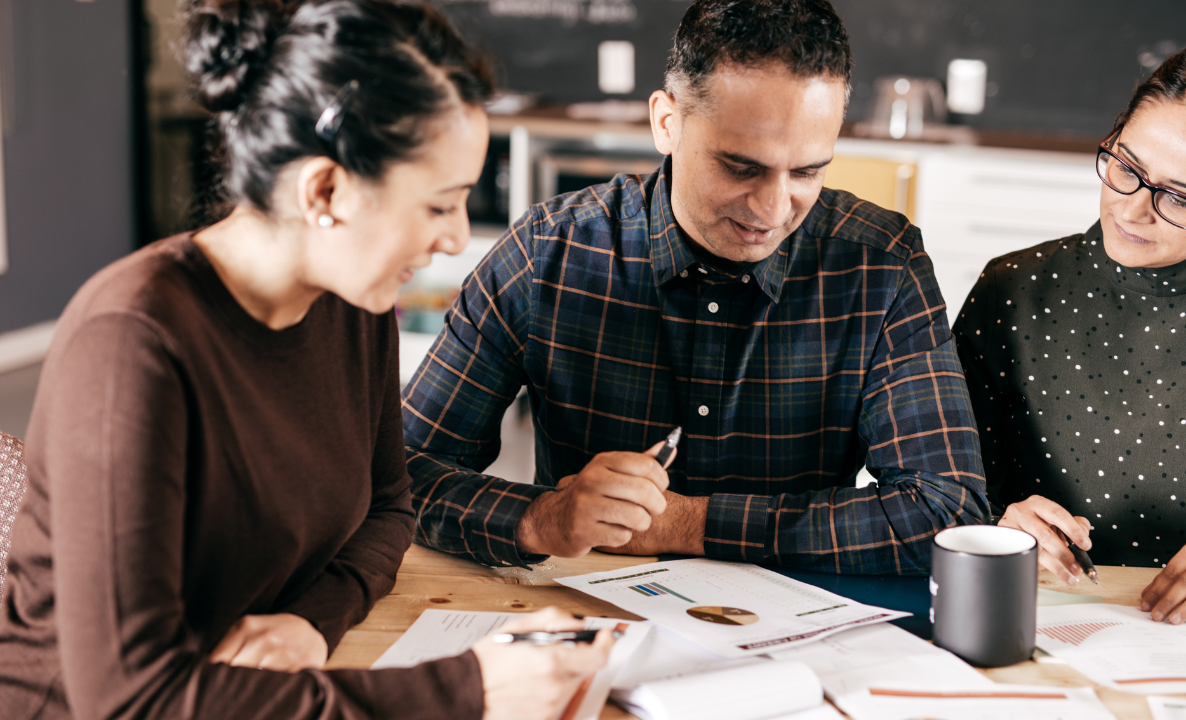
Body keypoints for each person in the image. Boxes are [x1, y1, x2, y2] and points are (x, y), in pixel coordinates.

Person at [0, 2, 610, 719]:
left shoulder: (354, 303)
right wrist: (467, 692)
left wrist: (310, 621)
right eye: (438, 206)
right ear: (325, 190)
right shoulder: (132, 343)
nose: (452, 239)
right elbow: (129, 698)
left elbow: (391, 507)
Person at [402, 0, 988, 576]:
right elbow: (400, 476)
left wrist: (684, 523)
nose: (773, 208)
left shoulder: (882, 266)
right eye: (741, 167)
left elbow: (946, 511)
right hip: (581, 616)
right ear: (667, 121)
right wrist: (543, 520)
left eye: (807, 171)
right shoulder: (545, 253)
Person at [954, 47, 1186, 625]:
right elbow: (939, 479)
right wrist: (994, 516)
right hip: (1037, 615)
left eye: (1180, 198)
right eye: (1126, 168)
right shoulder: (1012, 290)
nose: (1131, 210)